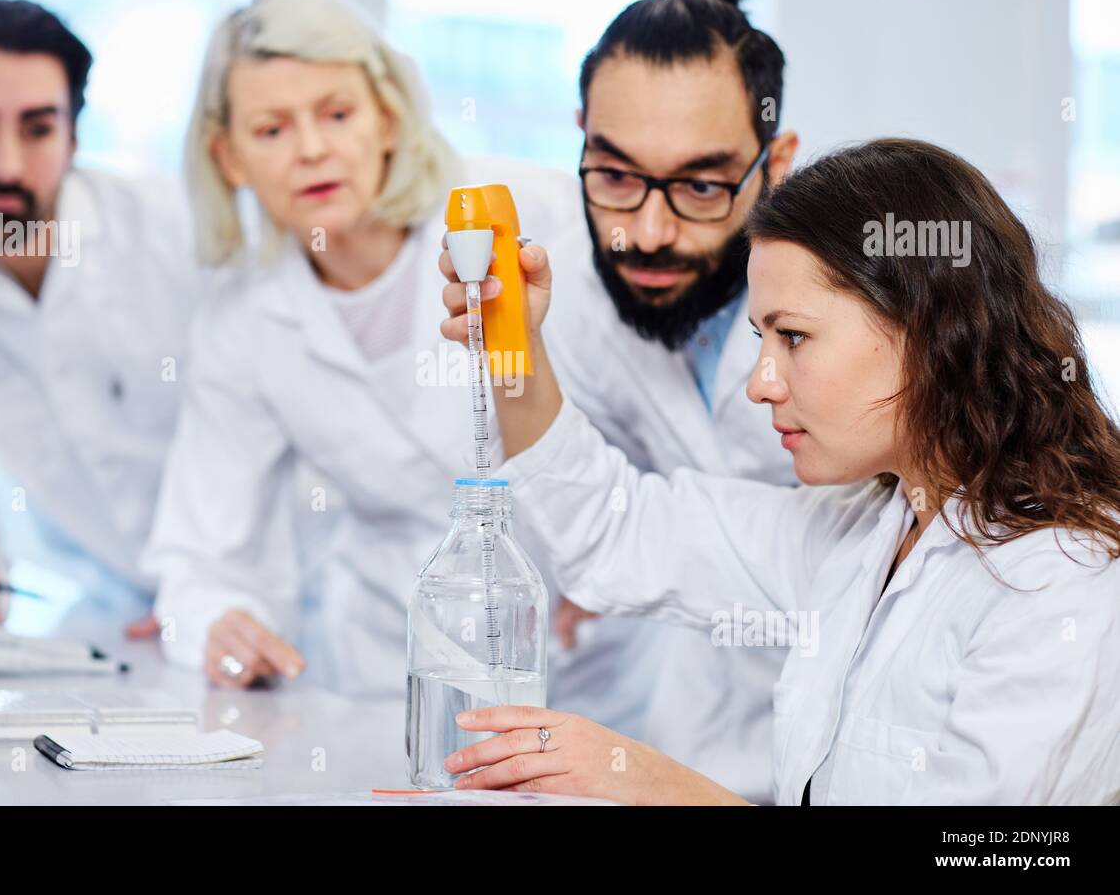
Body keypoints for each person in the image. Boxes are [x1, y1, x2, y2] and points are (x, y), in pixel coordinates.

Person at [437, 138, 1120, 804]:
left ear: (931, 327)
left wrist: (649, 782)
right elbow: (614, 529)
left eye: (793, 336)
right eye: (762, 339)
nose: (760, 384)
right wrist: (513, 340)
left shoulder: (1065, 577)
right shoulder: (864, 532)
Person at [144, 0, 650, 726]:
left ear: (387, 117)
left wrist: (601, 554)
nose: (312, 148)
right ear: (230, 157)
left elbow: (657, 412)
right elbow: (198, 549)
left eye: (338, 114)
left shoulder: (521, 216)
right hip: (395, 662)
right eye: (272, 129)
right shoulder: (241, 321)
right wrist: (215, 622)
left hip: (603, 651)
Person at [543, 0, 801, 800]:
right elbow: (597, 523)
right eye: (616, 176)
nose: (648, 233)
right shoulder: (571, 301)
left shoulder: (873, 318)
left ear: (778, 164)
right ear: (582, 139)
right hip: (666, 733)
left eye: (701, 186)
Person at [0, 0, 200, 633]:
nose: (6, 167)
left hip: (277, 604)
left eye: (37, 128)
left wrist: (213, 590)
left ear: (74, 135)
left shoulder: (174, 232)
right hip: (114, 622)